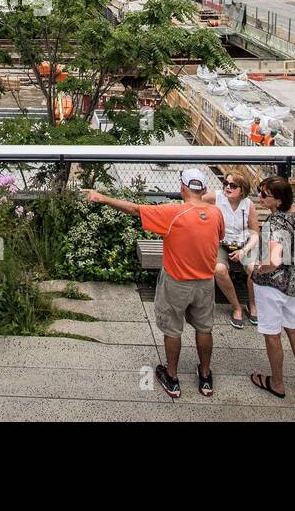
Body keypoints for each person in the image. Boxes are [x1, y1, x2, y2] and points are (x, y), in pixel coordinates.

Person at [84, 168, 222, 399]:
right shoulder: (216, 213)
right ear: (205, 189)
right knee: (204, 328)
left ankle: (172, 377)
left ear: (182, 188)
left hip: (177, 280)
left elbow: (134, 209)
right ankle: (205, 376)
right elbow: (217, 238)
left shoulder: (173, 212)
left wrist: (103, 198)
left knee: (172, 328)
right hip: (206, 280)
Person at [245, 175, 295, 401]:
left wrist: (258, 268)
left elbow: (274, 261)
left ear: (277, 200)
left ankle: (277, 383)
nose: (259, 197)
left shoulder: (275, 224)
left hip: (272, 286)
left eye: (264, 195)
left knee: (272, 335)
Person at [202, 169, 258, 329]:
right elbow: (195, 201)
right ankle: (236, 306)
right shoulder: (216, 197)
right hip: (221, 242)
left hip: (243, 244)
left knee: (254, 269)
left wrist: (244, 251)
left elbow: (255, 234)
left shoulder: (248, 205)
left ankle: (252, 305)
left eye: (233, 185)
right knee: (219, 269)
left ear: (242, 190)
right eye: (225, 183)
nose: (227, 187)